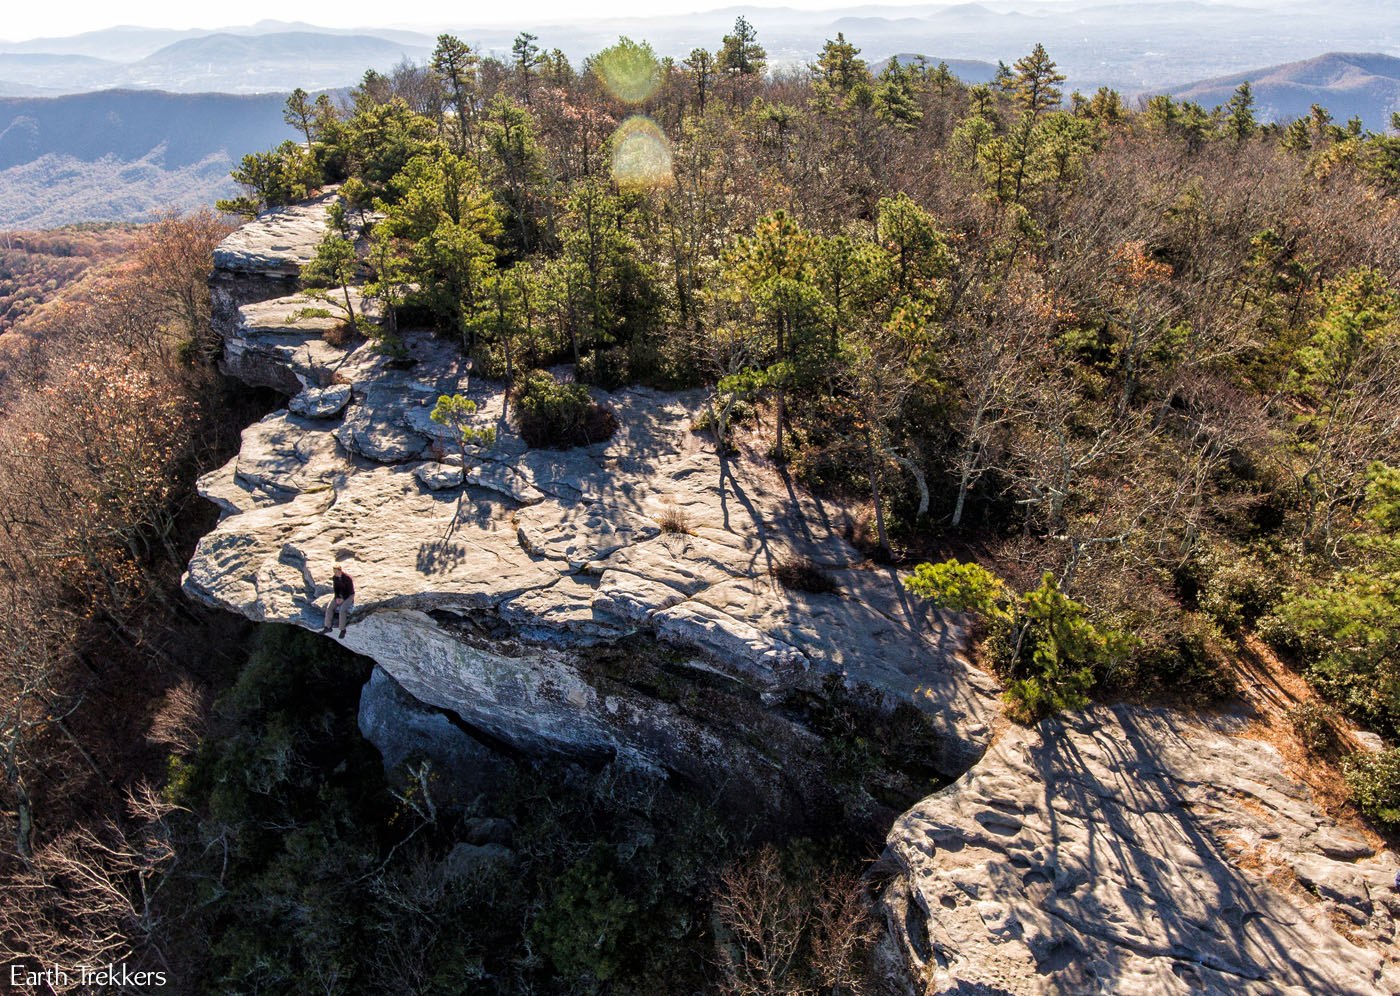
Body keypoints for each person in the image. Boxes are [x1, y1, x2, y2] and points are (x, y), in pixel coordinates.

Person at [320, 565, 354, 637]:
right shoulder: (335, 578)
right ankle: (327, 627)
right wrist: (337, 597)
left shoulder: (347, 578)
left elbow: (350, 591)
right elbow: (336, 589)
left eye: (336, 571)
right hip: (340, 595)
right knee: (329, 608)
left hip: (349, 596)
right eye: (334, 571)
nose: (335, 573)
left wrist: (343, 599)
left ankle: (342, 630)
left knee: (342, 610)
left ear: (340, 570)